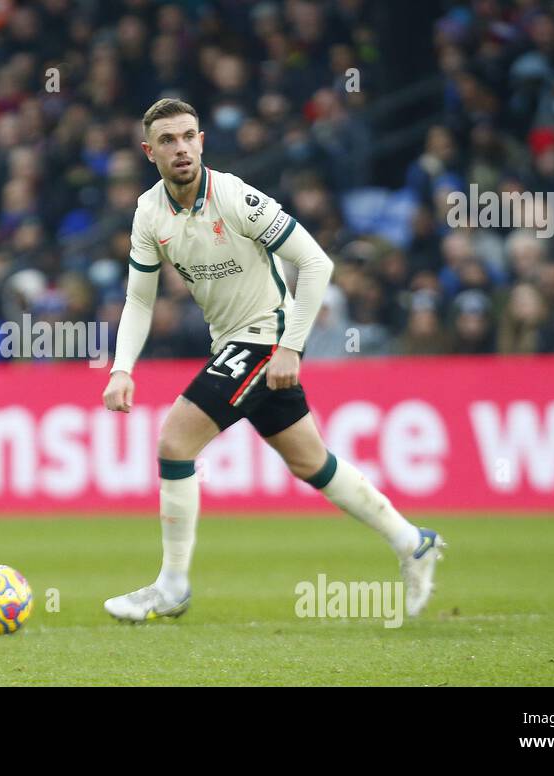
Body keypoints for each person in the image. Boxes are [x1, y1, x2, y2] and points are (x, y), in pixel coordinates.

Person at [101, 99, 446, 622]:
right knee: (311, 461)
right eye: (168, 141)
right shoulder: (149, 213)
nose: (181, 148)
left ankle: (171, 585)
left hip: (265, 338)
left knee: (175, 440)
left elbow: (315, 261)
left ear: (202, 141)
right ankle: (411, 541)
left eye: (189, 136)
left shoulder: (234, 195)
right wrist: (122, 367)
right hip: (233, 343)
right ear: (150, 152)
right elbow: (140, 300)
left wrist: (291, 347)